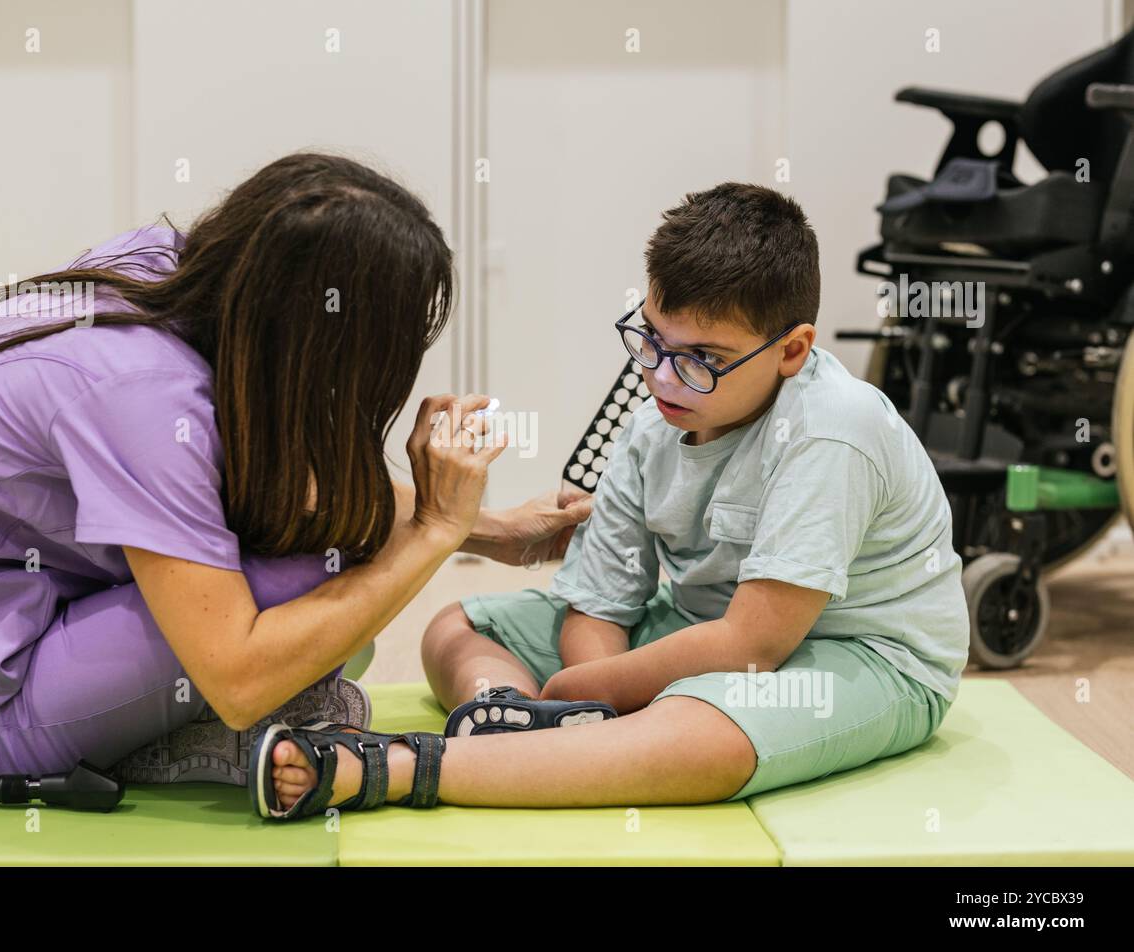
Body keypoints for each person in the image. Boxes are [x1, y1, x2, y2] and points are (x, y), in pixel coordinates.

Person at [0, 151, 592, 784]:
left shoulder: (168, 268)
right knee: (316, 577)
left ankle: (152, 725)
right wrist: (430, 532)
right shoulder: (143, 397)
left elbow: (267, 484)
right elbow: (238, 679)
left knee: (328, 575)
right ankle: (160, 747)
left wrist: (490, 532)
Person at [256, 182, 970, 820]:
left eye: (701, 360)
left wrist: (576, 686)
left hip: (857, 655)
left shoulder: (832, 430)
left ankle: (406, 767)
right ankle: (510, 724)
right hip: (701, 626)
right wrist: (589, 689)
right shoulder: (657, 417)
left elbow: (755, 645)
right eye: (652, 342)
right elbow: (601, 602)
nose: (664, 376)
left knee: (709, 740)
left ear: (791, 350)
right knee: (458, 629)